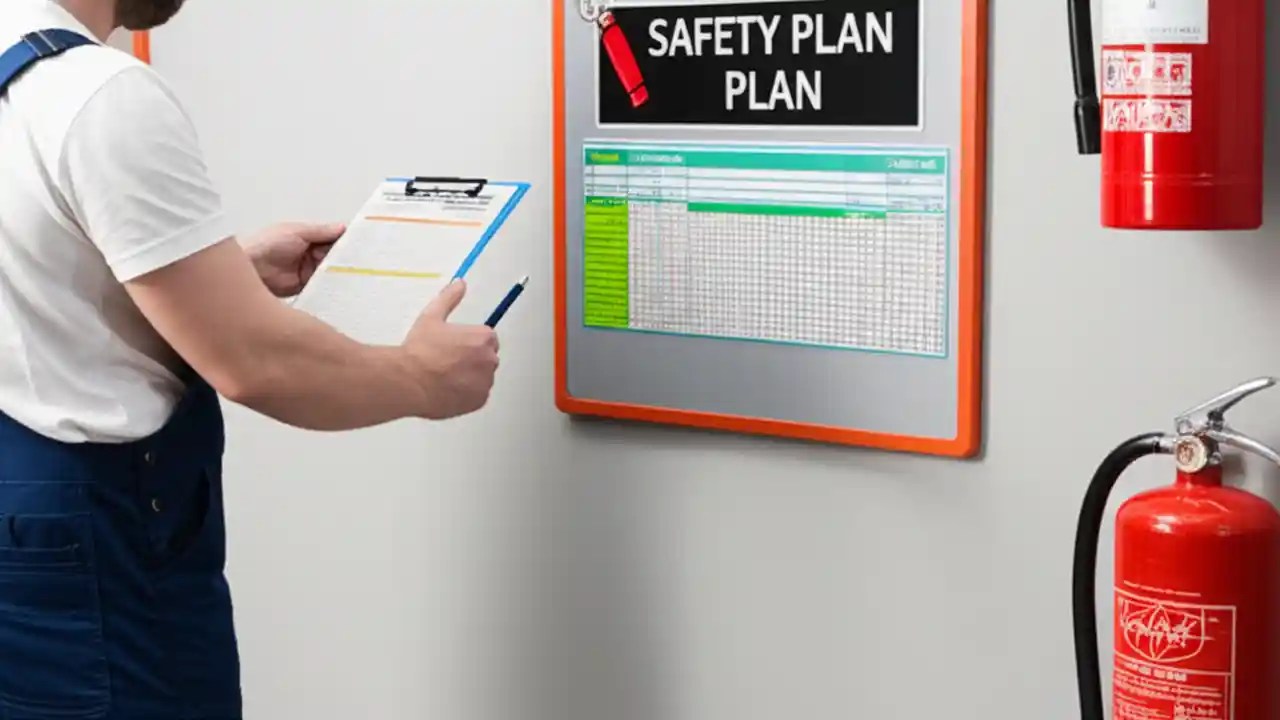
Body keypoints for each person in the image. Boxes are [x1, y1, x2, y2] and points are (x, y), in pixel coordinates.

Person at [0, 0, 501, 717]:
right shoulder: (98, 95)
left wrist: (217, 274)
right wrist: (423, 377)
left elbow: (35, 283)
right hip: (108, 572)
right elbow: (255, 363)